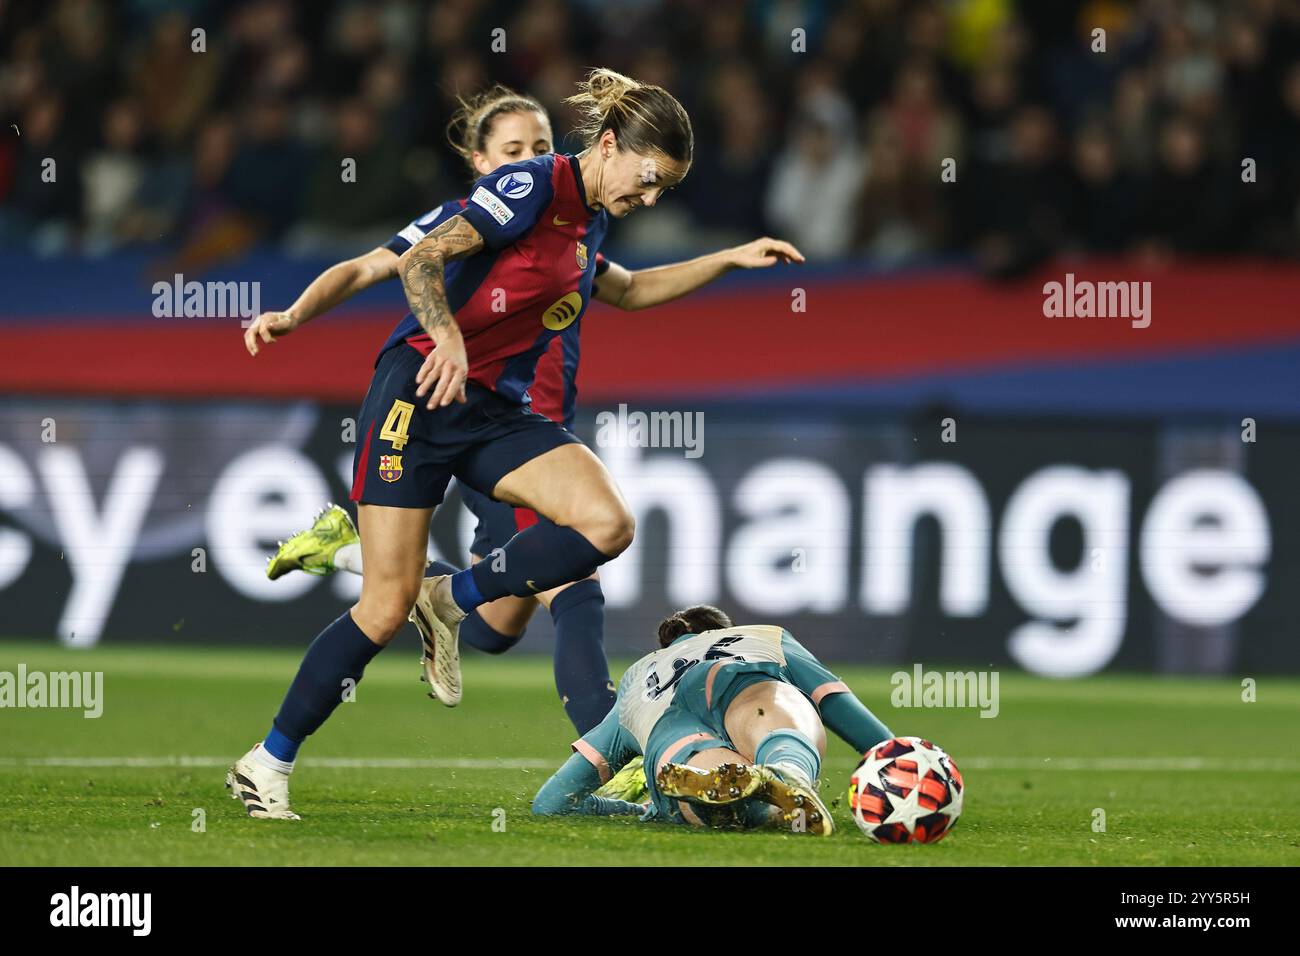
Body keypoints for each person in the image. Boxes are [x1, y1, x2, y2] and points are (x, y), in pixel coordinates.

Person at [259, 86, 804, 742]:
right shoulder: (498, 207)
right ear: (482, 161)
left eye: (541, 144)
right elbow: (375, 266)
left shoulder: (582, 216)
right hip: (467, 410)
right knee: (578, 592)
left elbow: (626, 288)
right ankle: (610, 761)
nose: (533, 157)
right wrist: (294, 315)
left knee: (499, 625)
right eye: (513, 149)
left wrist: (728, 257)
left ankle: (374, 565)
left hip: (518, 425)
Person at [531, 605, 894, 836]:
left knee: (717, 799)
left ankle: (742, 799)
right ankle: (788, 772)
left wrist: (638, 810)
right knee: (777, 705)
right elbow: (834, 703)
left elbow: (551, 802)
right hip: (739, 684)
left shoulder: (637, 678)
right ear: (724, 628)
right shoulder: (763, 635)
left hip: (665, 730)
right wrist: (895, 755)